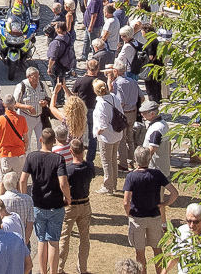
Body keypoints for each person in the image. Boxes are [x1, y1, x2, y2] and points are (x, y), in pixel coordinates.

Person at [123, 146, 180, 274]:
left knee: (140, 252)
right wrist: (164, 203)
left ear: (135, 160)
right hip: (155, 217)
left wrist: (129, 213)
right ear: (149, 159)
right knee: (158, 250)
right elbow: (174, 193)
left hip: (137, 218)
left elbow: (126, 201)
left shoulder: (131, 177)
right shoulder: (157, 174)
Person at [23, 127, 72, 274]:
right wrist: (68, 197)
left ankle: (43, 271)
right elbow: (63, 182)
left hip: (38, 204)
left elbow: (23, 180)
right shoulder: (58, 159)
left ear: (40, 140)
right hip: (55, 205)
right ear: (54, 142)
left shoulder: (31, 157)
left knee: (41, 240)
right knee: (54, 240)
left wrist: (25, 196)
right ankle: (54, 271)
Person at [60, 137, 95, 274]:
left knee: (64, 238)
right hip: (85, 204)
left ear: (71, 151)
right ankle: (83, 268)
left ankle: (59, 268)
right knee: (84, 239)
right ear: (83, 150)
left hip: (70, 205)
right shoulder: (89, 167)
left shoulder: (68, 170)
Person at [166, 203, 201, 274]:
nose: (191, 225)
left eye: (195, 222)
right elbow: (174, 256)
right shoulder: (181, 232)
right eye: (189, 221)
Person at [93, 79, 125, 194]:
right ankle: (114, 184)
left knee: (106, 162)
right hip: (117, 133)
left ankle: (108, 187)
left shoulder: (101, 104)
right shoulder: (113, 97)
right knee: (113, 161)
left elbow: (103, 125)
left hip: (106, 137)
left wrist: (98, 133)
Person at [0, 93, 29, 182]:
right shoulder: (22, 119)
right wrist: (24, 148)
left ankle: (2, 196)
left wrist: (2, 146)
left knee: (3, 181)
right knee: (19, 181)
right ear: (15, 104)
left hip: (4, 153)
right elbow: (26, 139)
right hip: (19, 153)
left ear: (3, 104)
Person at [14, 68, 49, 151]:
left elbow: (47, 98)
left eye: (38, 76)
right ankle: (27, 161)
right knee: (26, 142)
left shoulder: (41, 85)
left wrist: (45, 102)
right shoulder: (21, 86)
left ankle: (40, 160)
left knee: (42, 141)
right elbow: (14, 103)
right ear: (28, 77)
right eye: (35, 77)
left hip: (39, 118)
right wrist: (27, 107)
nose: (37, 78)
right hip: (26, 118)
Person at [141, 100, 171, 179]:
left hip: (155, 170)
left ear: (152, 114)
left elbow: (152, 150)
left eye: (144, 112)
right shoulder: (163, 123)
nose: (142, 114)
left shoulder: (156, 129)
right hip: (163, 167)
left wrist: (142, 166)